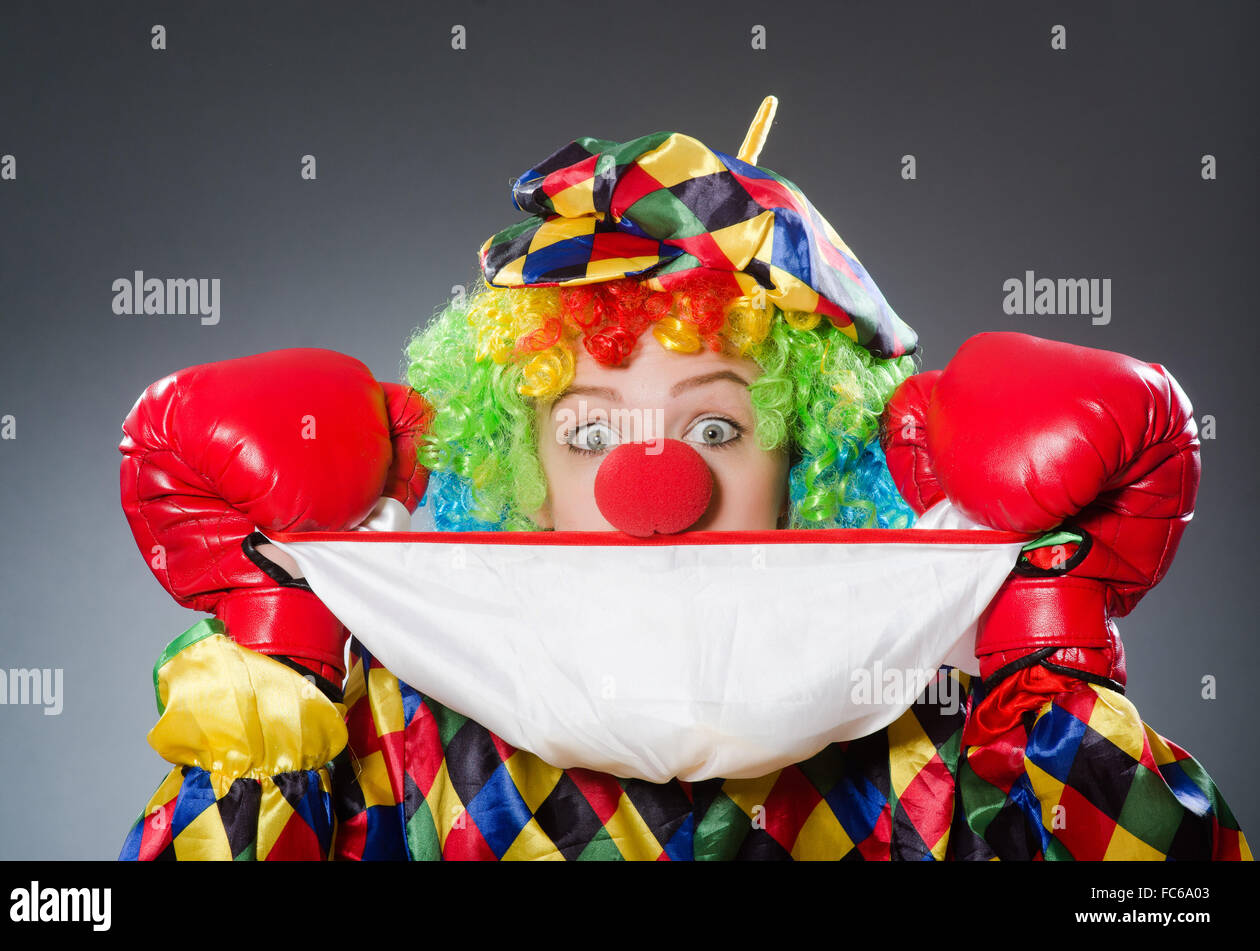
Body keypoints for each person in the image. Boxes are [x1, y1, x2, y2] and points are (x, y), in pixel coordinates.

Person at [117, 99, 1249, 861]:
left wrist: (1041, 645)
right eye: (589, 431)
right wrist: (270, 658)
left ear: (809, 450)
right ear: (518, 463)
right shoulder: (393, 707)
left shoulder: (927, 710)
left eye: (714, 428)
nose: (647, 487)